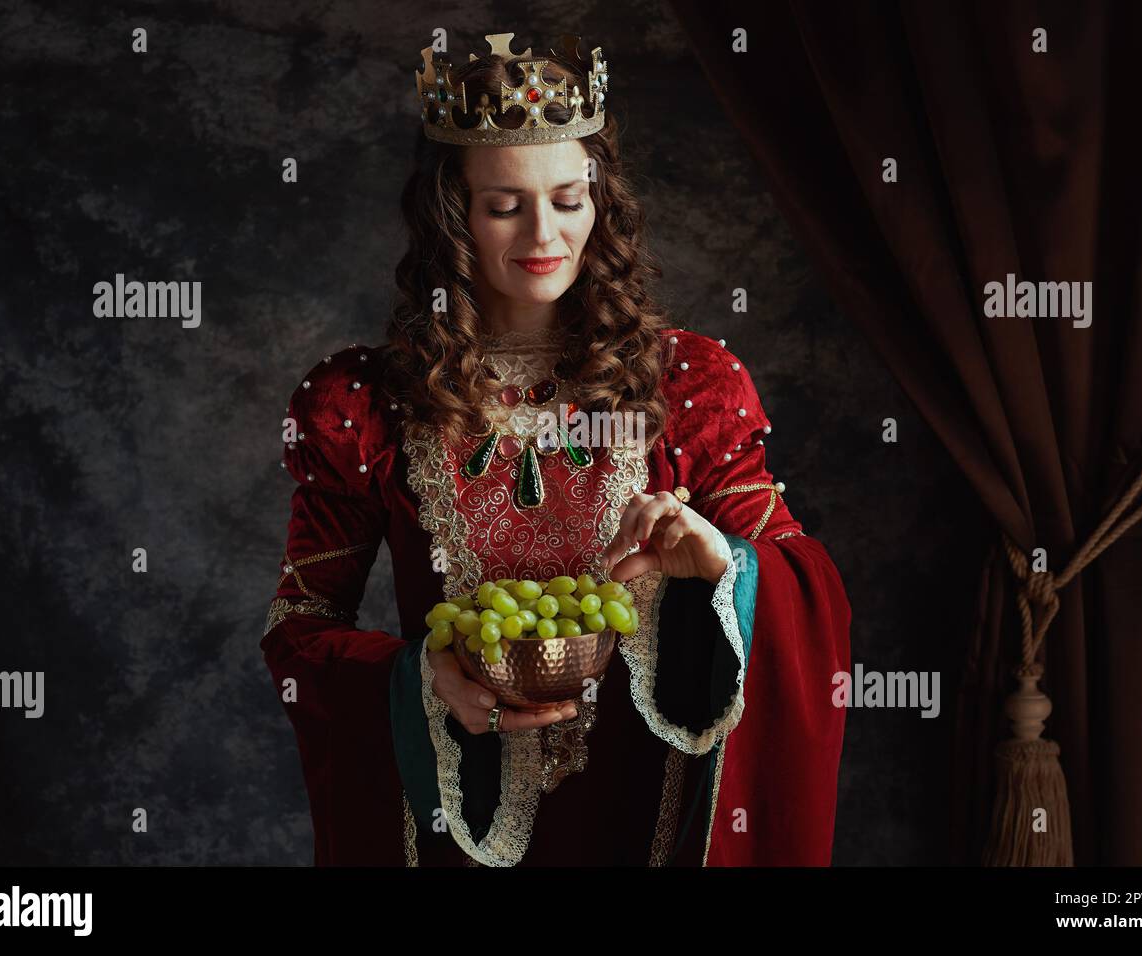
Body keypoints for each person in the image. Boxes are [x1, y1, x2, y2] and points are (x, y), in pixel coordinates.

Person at [261, 32, 851, 866]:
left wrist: (724, 566)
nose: (545, 232)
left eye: (569, 199)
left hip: (641, 823)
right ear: (451, 214)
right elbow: (300, 628)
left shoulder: (690, 388)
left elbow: (804, 581)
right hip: (452, 820)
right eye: (505, 205)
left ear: (599, 202)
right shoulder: (364, 406)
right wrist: (424, 679)